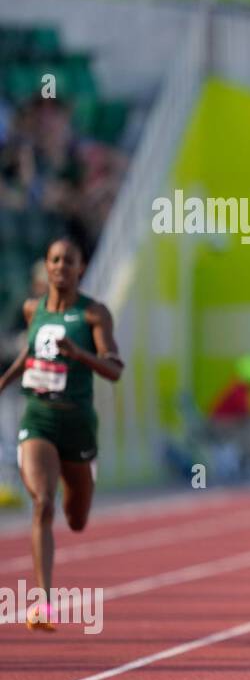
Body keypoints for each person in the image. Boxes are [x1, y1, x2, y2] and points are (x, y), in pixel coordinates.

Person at [0, 235, 122, 631]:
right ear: (46, 265)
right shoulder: (33, 308)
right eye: (54, 260)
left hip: (78, 426)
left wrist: (79, 354)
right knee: (42, 504)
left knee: (76, 517)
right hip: (39, 419)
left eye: (68, 261)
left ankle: (80, 488)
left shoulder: (93, 314)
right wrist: (4, 380)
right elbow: (30, 354)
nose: (60, 267)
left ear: (80, 267)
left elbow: (115, 369)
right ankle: (44, 603)